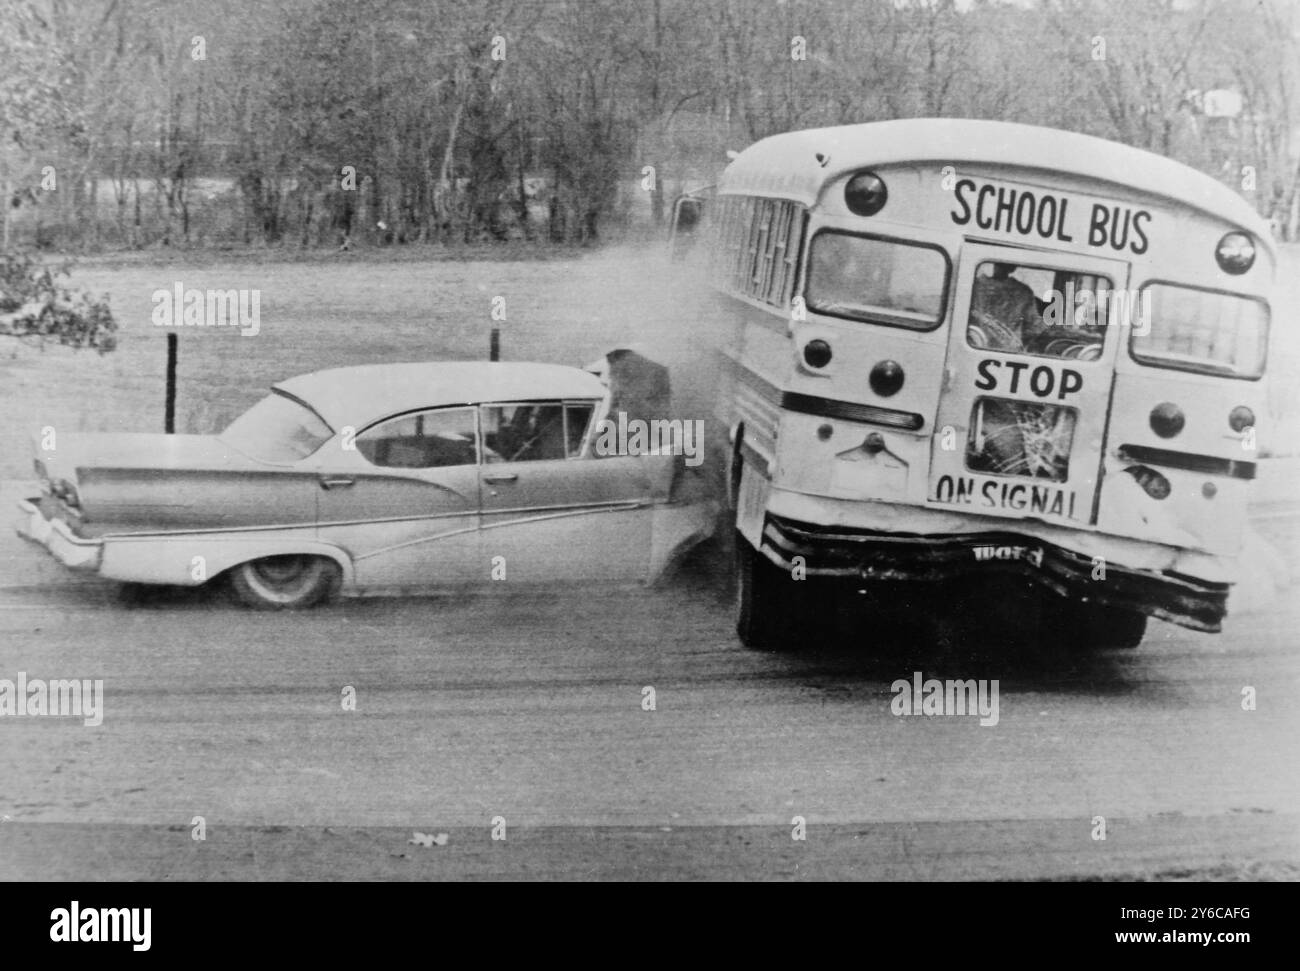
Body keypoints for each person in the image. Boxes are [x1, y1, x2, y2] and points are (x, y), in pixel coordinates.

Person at [967, 263, 1045, 352]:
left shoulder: (975, 286)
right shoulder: (1022, 292)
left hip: (975, 343)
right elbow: (1034, 328)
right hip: (1007, 350)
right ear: (1013, 268)